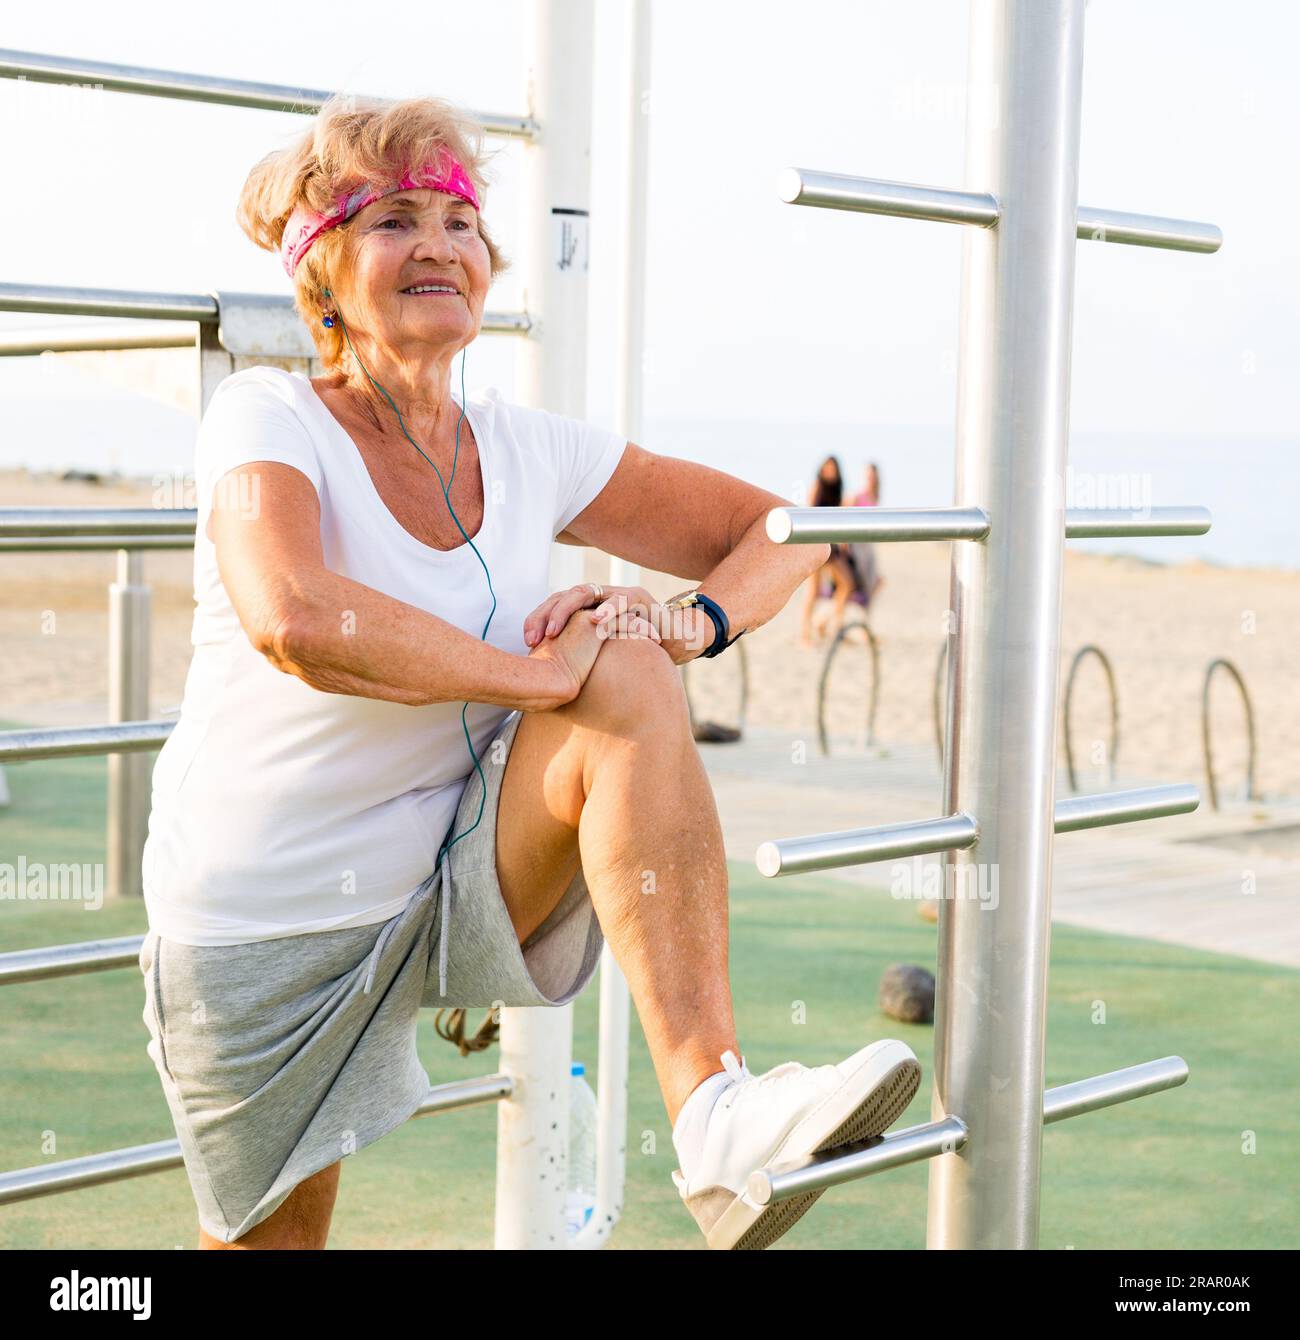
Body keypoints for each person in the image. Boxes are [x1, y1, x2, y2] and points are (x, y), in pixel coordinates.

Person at [137, 92, 920, 1253]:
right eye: (394, 218)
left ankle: (717, 1118)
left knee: (630, 653)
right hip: (267, 922)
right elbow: (291, 615)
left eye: (458, 218)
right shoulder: (266, 419)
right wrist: (529, 675)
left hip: (454, 873)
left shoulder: (528, 445)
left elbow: (781, 532)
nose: (441, 244)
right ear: (322, 270)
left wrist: (690, 620)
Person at [798, 455, 858, 647]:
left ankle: (831, 627)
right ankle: (805, 635)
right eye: (827, 468)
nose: (830, 472)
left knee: (847, 585)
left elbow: (841, 517)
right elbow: (808, 512)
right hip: (816, 542)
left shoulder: (838, 490)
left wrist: (844, 542)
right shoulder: (818, 486)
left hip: (832, 546)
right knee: (813, 591)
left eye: (834, 468)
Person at [846, 461, 885, 605]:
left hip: (869, 544)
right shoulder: (857, 496)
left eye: (873, 476)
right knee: (859, 581)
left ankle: (865, 613)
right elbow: (845, 519)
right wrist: (845, 546)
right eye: (868, 476)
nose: (871, 479)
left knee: (874, 581)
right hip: (856, 544)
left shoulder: (875, 496)